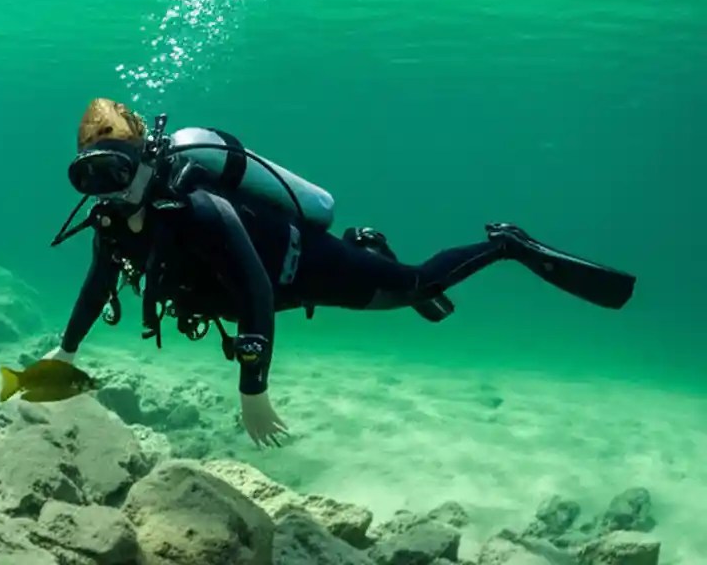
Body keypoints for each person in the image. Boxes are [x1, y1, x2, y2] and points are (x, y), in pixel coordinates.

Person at [42, 98, 637, 448]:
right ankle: (368, 245)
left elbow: (252, 286)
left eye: (113, 170)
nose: (104, 190)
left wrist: (253, 393)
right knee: (399, 284)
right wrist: (65, 353)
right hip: (257, 291)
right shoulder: (112, 223)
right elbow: (98, 283)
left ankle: (507, 245)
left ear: (143, 157)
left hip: (304, 269)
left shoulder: (198, 207)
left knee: (414, 288)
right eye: (88, 175)